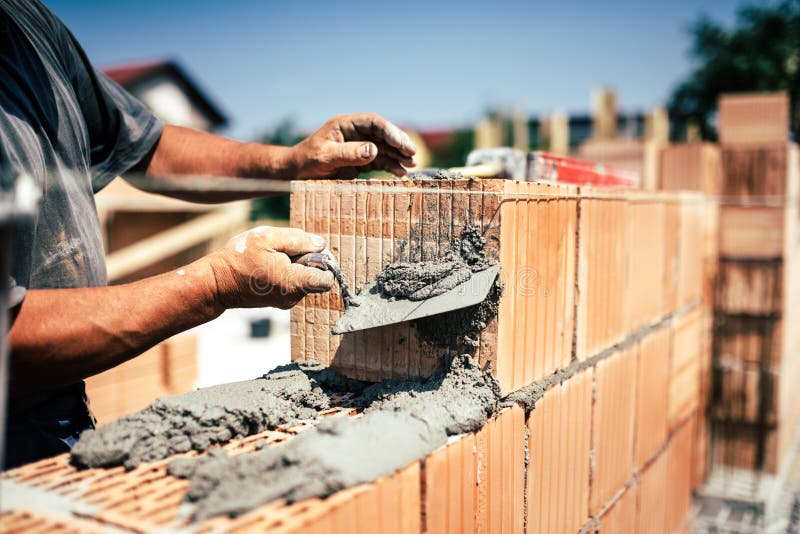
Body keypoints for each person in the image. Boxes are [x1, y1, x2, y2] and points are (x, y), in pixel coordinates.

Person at [0, 0, 416, 468]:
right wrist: (215, 285)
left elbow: (147, 145)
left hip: (55, 407)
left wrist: (290, 164)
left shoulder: (25, 24)